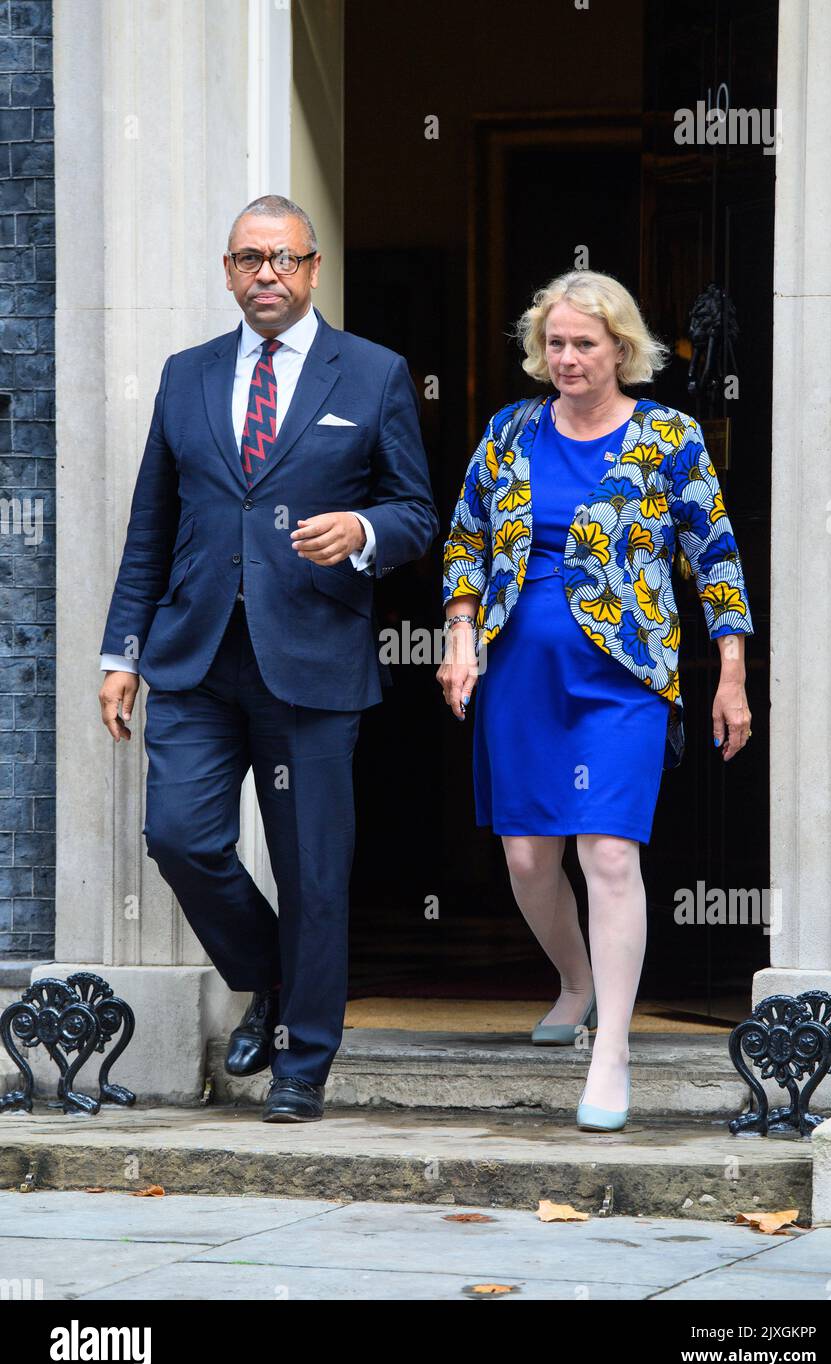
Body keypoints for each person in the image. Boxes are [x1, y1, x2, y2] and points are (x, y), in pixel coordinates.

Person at [98, 194, 438, 1123]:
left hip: (313, 661)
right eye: (250, 259)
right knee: (180, 836)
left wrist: (365, 528)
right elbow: (150, 528)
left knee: (313, 869)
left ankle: (302, 1068)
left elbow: (418, 514)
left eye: (285, 259)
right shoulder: (187, 376)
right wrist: (120, 650)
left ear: (315, 268)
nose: (267, 276)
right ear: (227, 271)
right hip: (196, 658)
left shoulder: (371, 375)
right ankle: (277, 982)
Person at [438, 269, 754, 1132]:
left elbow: (715, 558)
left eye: (585, 342)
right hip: (519, 675)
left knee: (610, 856)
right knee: (530, 860)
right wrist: (459, 635)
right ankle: (574, 981)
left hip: (626, 678)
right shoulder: (509, 433)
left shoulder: (668, 437)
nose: (568, 357)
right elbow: (466, 537)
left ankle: (612, 1048)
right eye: (555, 343)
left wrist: (730, 672)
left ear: (622, 347)